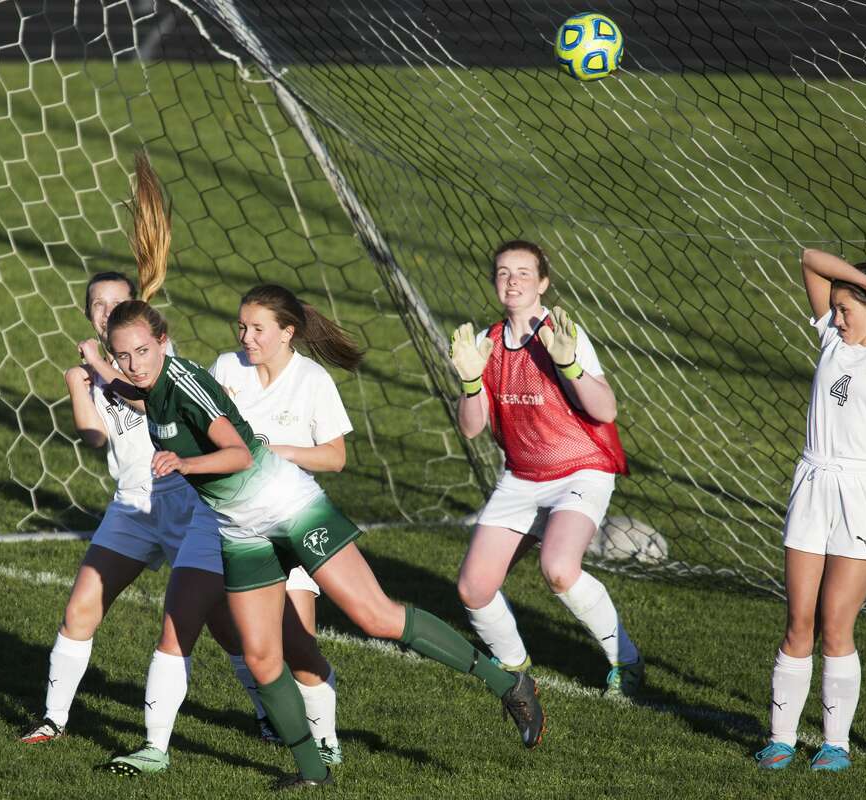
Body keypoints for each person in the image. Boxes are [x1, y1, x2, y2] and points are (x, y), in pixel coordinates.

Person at [102, 155, 546, 790]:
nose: (134, 364)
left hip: (291, 507)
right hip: (240, 531)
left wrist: (184, 461)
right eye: (125, 356)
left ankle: (508, 683)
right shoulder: (153, 382)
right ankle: (312, 774)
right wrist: (105, 366)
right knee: (263, 659)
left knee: (375, 617)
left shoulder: (194, 380)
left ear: (163, 344)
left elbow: (238, 453)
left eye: (142, 352)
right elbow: (140, 391)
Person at [20, 270, 292, 775]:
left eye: (116, 302)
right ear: (89, 315)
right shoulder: (104, 367)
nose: (106, 312)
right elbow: (95, 436)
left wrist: (100, 365)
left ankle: (267, 714)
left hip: (189, 505)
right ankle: (53, 720)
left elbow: (136, 391)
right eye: (97, 305)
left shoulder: (152, 359)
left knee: (222, 626)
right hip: (132, 507)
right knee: (80, 609)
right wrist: (79, 384)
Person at [450, 240, 642, 696]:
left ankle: (626, 662)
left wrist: (569, 365)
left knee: (558, 567)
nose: (512, 281)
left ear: (542, 283)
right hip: (522, 477)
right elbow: (471, 428)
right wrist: (471, 381)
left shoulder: (562, 335)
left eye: (523, 272)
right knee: (474, 588)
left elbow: (606, 410)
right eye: (503, 272)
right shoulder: (484, 343)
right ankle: (515, 668)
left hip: (580, 469)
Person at [753, 249, 866, 772]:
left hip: (864, 495)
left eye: (847, 309)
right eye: (836, 308)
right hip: (812, 486)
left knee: (836, 622)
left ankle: (835, 745)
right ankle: (780, 739)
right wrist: (864, 284)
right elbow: (809, 260)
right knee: (799, 620)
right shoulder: (832, 338)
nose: (837, 318)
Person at [209, 283, 360, 765]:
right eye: (242, 327)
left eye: (258, 329)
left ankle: (326, 741)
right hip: (235, 527)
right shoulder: (226, 368)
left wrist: (274, 451)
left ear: (287, 333)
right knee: (238, 636)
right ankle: (272, 719)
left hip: (292, 522)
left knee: (299, 648)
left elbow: (335, 457)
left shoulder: (312, 380)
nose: (246, 338)